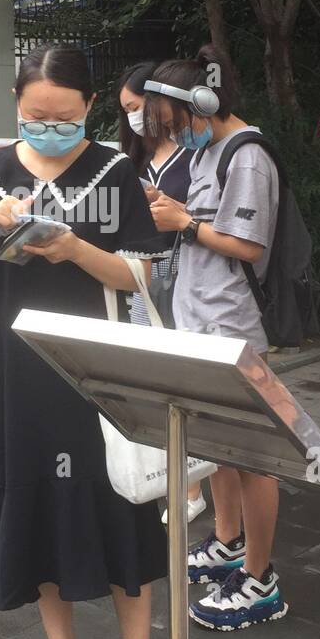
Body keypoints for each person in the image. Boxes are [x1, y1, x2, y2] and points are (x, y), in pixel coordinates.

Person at [0, 43, 166, 639]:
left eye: (64, 116)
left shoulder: (114, 171)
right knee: (35, 511)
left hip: (99, 376)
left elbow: (137, 274)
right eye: (37, 115)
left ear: (89, 106)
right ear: (18, 106)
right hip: (24, 379)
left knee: (120, 509)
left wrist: (71, 247)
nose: (50, 128)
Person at [143, 46, 288, 631]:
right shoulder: (209, 153)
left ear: (204, 105)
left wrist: (186, 224)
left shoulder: (247, 157)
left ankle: (260, 578)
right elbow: (204, 223)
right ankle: (227, 542)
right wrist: (175, 211)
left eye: (179, 125)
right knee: (219, 446)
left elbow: (250, 246)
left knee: (254, 455)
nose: (177, 137)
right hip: (198, 315)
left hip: (233, 324)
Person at [117, 60, 202, 526]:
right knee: (151, 378)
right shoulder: (131, 159)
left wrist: (172, 209)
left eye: (136, 107)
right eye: (125, 110)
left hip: (182, 269)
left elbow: (208, 217)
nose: (132, 116)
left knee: (179, 377)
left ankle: (190, 484)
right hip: (140, 272)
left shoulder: (193, 151)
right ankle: (171, 477)